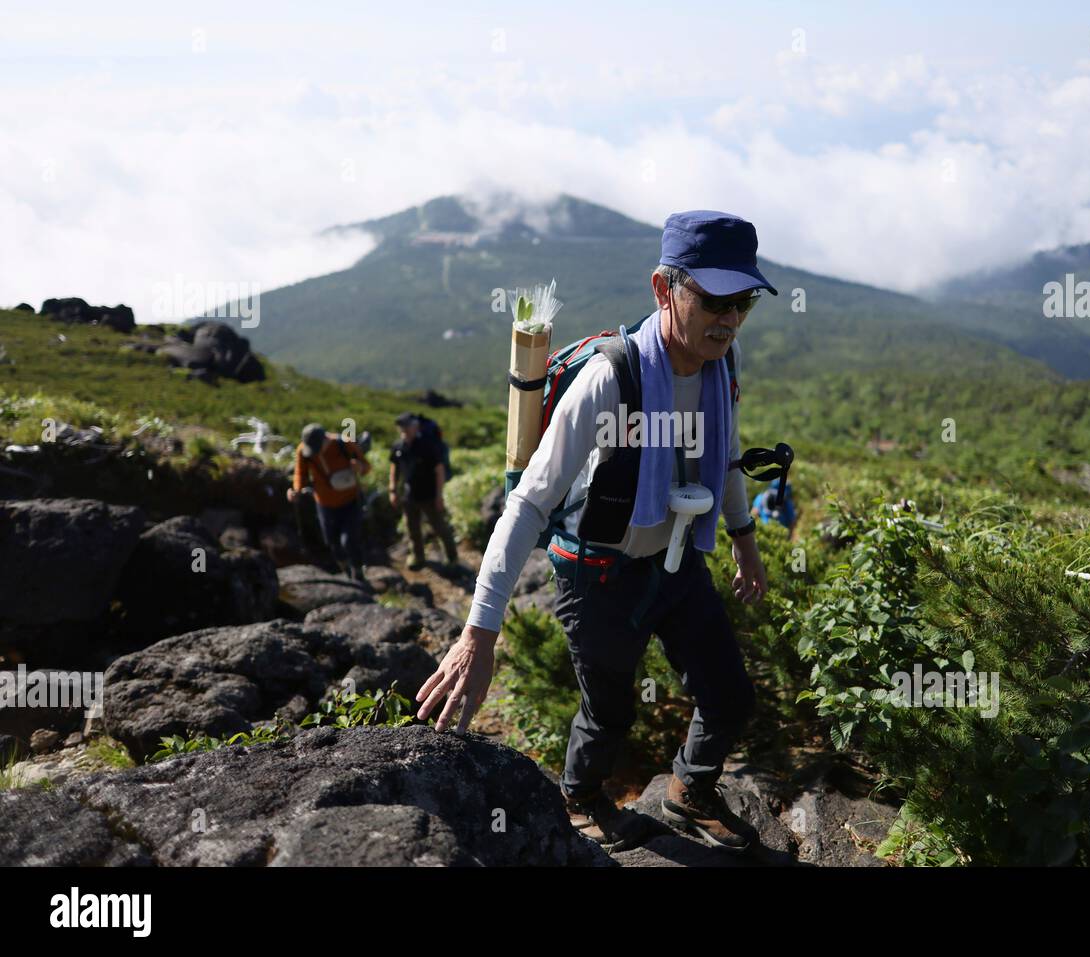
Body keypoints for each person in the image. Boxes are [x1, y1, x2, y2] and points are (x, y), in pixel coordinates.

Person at [415, 210, 775, 854]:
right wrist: (478, 634)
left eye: (743, 299)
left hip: (678, 559)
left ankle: (688, 788)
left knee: (729, 696)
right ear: (665, 289)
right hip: (598, 572)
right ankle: (581, 797)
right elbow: (528, 502)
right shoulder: (611, 379)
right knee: (609, 711)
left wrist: (745, 543)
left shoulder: (723, 364)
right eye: (715, 298)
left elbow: (725, 455)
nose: (730, 317)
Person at [288, 423, 371, 581]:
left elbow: (366, 466)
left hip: (350, 501)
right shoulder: (304, 451)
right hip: (324, 504)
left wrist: (359, 467)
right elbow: (300, 474)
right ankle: (346, 570)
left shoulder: (343, 443)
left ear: (326, 438)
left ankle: (358, 573)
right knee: (332, 542)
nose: (315, 452)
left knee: (349, 540)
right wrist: (296, 490)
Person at [389, 411, 458, 570]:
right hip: (408, 496)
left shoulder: (428, 445)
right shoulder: (398, 446)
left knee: (440, 527)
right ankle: (418, 557)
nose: (404, 430)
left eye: (407, 427)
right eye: (402, 427)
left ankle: (452, 558)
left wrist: (439, 496)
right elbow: (395, 468)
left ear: (415, 427)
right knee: (412, 529)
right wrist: (393, 490)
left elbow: (439, 470)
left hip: (429, 496)